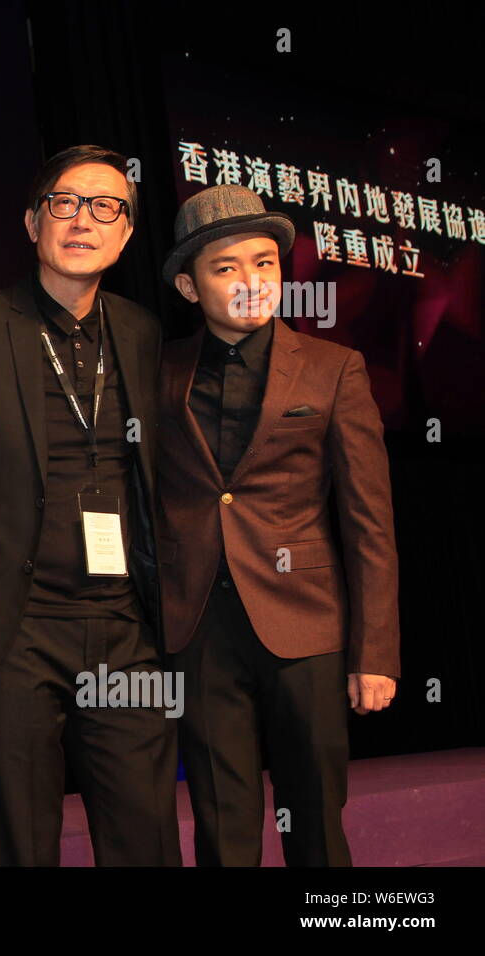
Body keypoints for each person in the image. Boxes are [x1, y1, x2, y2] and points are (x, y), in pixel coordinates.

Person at [0, 145, 180, 866]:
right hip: (14, 630)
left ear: (128, 234)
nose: (85, 219)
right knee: (21, 841)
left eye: (107, 206)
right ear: (31, 222)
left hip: (123, 625)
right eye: (66, 203)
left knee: (146, 835)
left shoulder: (139, 333)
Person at [159, 183, 400, 866]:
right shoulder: (157, 371)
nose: (250, 282)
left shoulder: (333, 369)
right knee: (221, 820)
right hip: (198, 625)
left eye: (264, 264)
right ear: (188, 284)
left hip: (307, 624)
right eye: (226, 267)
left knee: (317, 817)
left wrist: (375, 653)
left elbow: (369, 522)